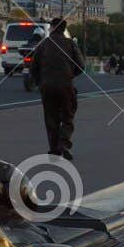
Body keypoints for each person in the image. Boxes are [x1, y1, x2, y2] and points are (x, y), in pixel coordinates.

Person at [30, 16, 85, 160]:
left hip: (47, 86)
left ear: (53, 27)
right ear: (64, 29)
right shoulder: (70, 44)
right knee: (68, 116)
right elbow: (81, 66)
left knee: (51, 118)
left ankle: (54, 149)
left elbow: (33, 67)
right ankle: (64, 144)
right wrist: (70, 74)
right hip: (66, 85)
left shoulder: (43, 44)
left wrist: (40, 82)